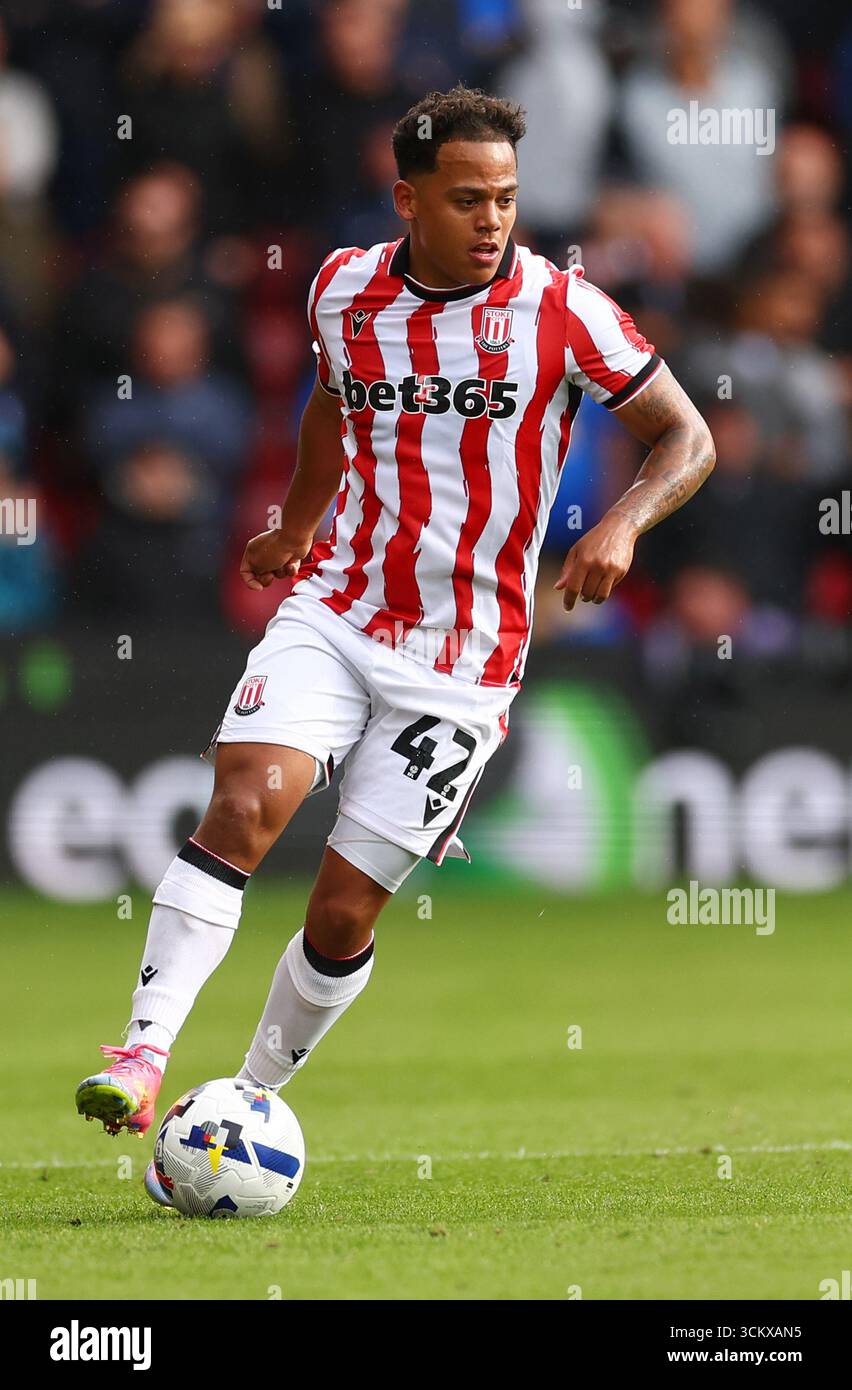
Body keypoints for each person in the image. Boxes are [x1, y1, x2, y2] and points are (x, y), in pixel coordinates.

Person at [73, 86, 714, 1205]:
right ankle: (140, 1052)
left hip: (465, 660)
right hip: (339, 608)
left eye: (507, 199)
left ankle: (251, 1097)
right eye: (468, 199)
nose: (492, 220)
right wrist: (305, 519)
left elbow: (687, 434)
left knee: (341, 914)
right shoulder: (343, 289)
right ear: (407, 196)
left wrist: (619, 522)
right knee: (242, 806)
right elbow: (333, 403)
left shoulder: (565, 309)